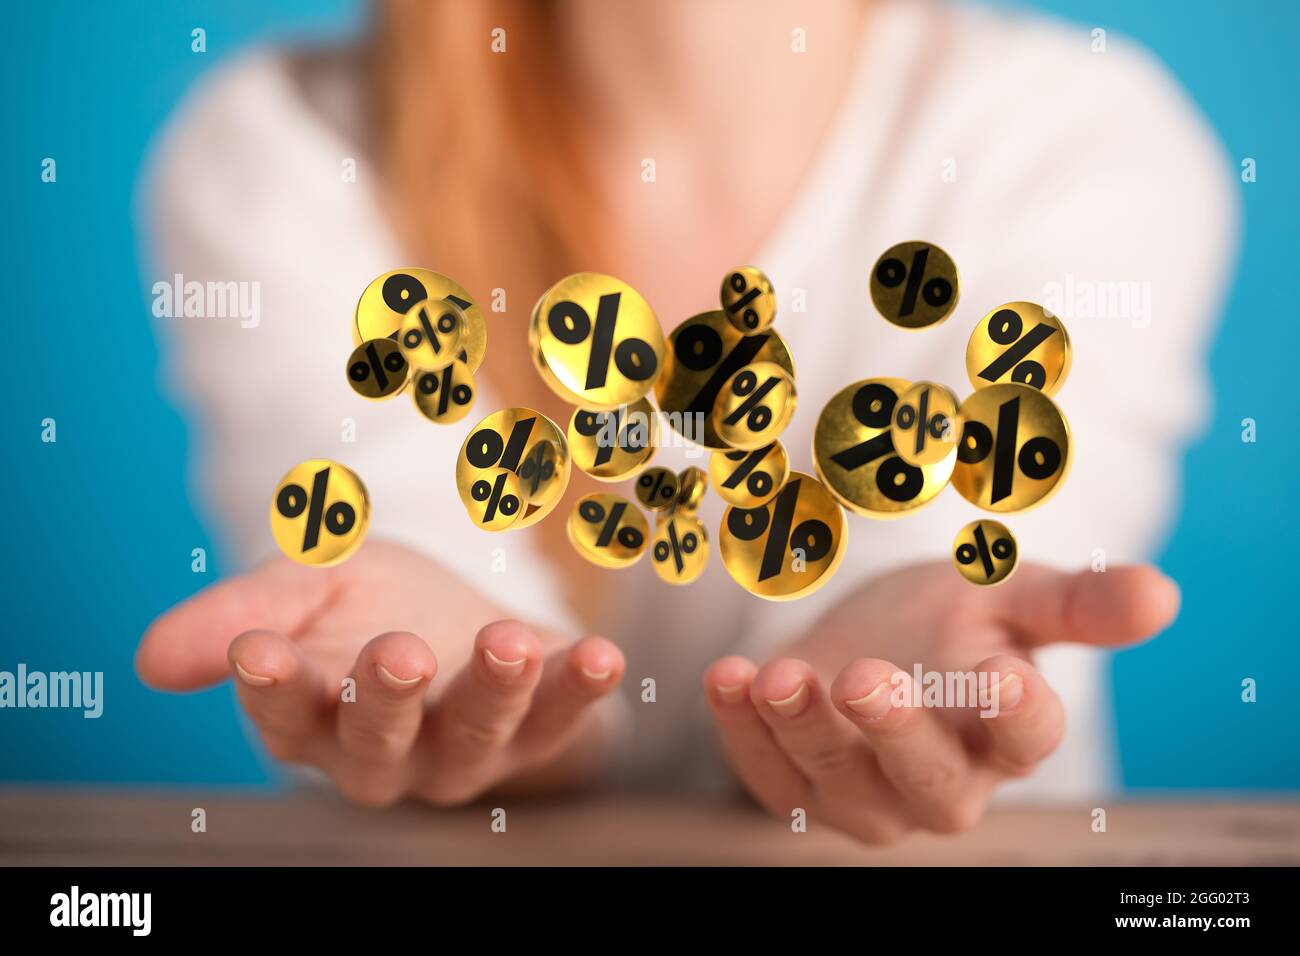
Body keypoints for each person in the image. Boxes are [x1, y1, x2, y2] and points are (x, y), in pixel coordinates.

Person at [136, 0, 1235, 843]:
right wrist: (488, 687)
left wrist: (883, 640)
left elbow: (963, 550)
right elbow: (410, 554)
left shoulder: (1083, 139)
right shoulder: (279, 145)